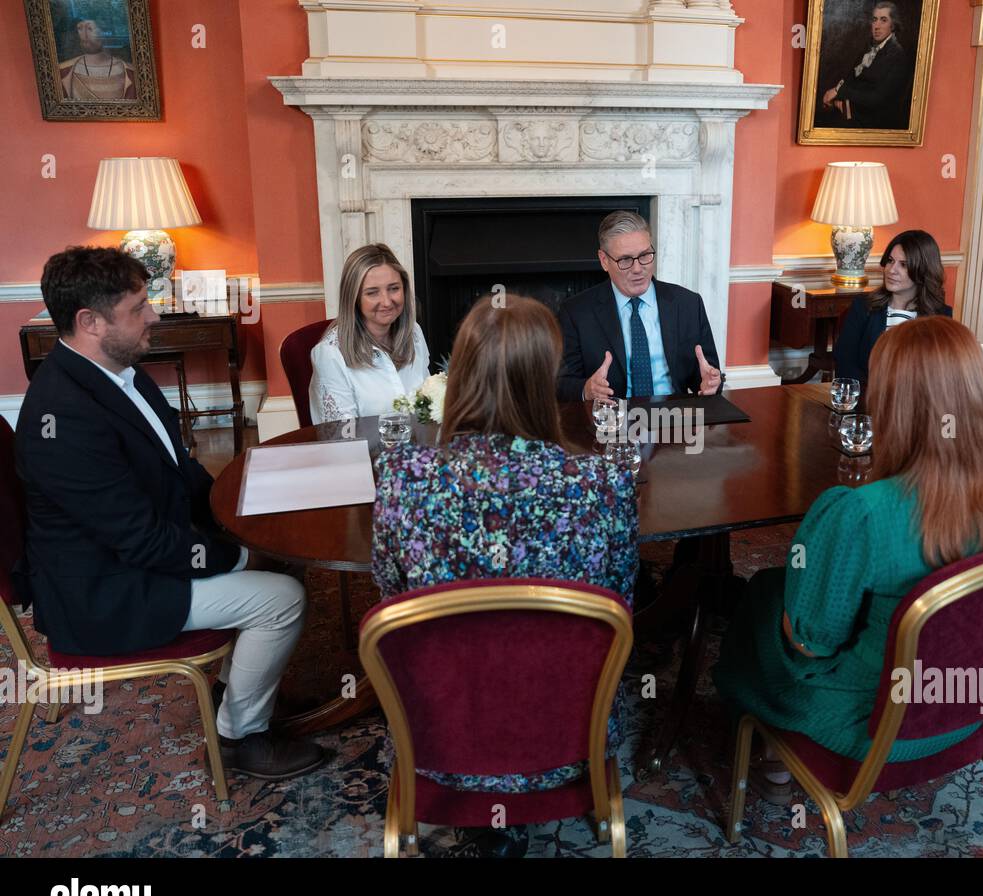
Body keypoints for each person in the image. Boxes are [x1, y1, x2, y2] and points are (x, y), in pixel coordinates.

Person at [15, 247, 323, 779]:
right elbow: (143, 543)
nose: (154, 315)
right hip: (106, 591)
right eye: (138, 308)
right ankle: (239, 737)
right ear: (89, 322)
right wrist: (240, 551)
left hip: (135, 556)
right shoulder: (62, 418)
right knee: (282, 598)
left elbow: (182, 472)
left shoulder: (121, 374)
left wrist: (249, 508)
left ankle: (238, 687)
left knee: (284, 555)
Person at [713, 317, 983, 802]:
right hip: (971, 709)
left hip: (868, 723)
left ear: (889, 401)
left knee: (763, 595)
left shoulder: (859, 514)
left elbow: (811, 644)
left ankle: (777, 757)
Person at [372, 293, 639, 856]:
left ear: (460, 373)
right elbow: (620, 612)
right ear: (545, 379)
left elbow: (391, 605)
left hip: (440, 740)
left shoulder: (404, 477)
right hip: (568, 741)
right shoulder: (602, 483)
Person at [556, 211, 722, 402]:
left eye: (645, 255)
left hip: (673, 419)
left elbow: (709, 374)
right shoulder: (576, 313)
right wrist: (586, 389)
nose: (638, 269)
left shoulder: (688, 304)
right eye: (625, 260)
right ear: (604, 261)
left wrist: (711, 383)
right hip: (612, 420)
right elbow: (561, 384)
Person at [309, 243, 430, 423]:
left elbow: (426, 408)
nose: (387, 302)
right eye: (372, 293)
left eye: (394, 288)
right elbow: (342, 435)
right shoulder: (330, 355)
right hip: (364, 451)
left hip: (415, 447)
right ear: (354, 298)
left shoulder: (414, 332)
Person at [832, 229, 951, 388]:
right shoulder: (863, 307)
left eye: (903, 265)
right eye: (890, 260)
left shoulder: (941, 316)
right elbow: (845, 363)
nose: (891, 270)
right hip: (868, 401)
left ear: (922, 270)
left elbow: (941, 375)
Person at [821, 2, 911, 129]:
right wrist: (837, 95)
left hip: (873, 122)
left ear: (893, 25)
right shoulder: (869, 48)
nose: (877, 26)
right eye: (875, 20)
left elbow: (877, 99)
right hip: (852, 111)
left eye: (883, 20)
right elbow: (851, 79)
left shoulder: (896, 55)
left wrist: (839, 93)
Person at [59, 19, 137, 101]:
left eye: (90, 29)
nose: (85, 34)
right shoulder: (64, 71)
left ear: (104, 34)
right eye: (80, 28)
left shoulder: (129, 71)